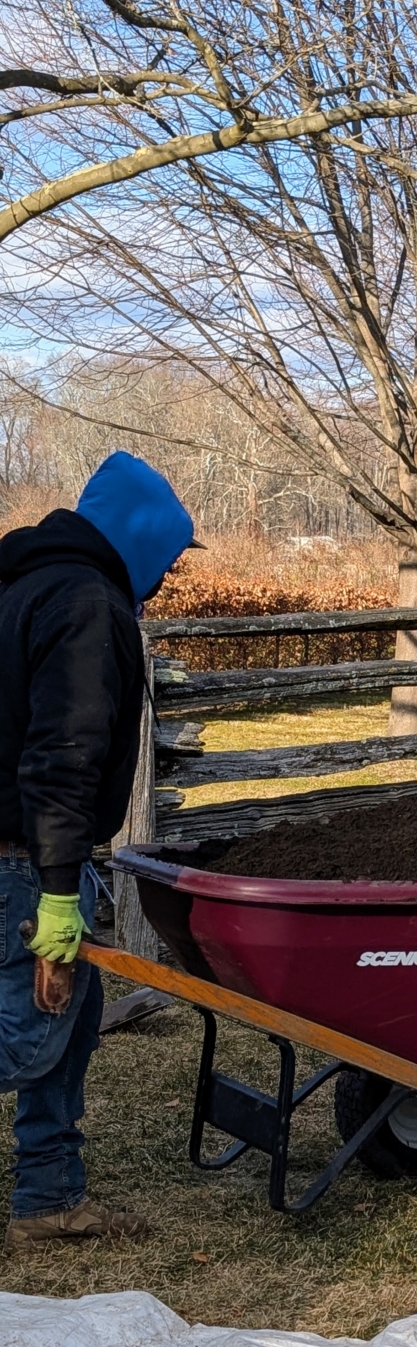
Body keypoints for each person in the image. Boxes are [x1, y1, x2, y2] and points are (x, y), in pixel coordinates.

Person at [0, 451, 199, 1249]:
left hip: (26, 849)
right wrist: (54, 886)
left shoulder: (24, 584)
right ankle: (47, 1192)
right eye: (169, 556)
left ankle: (49, 1196)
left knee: (73, 1018)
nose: (169, 575)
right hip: (25, 856)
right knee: (27, 1034)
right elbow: (64, 753)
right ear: (141, 536)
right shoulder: (86, 604)